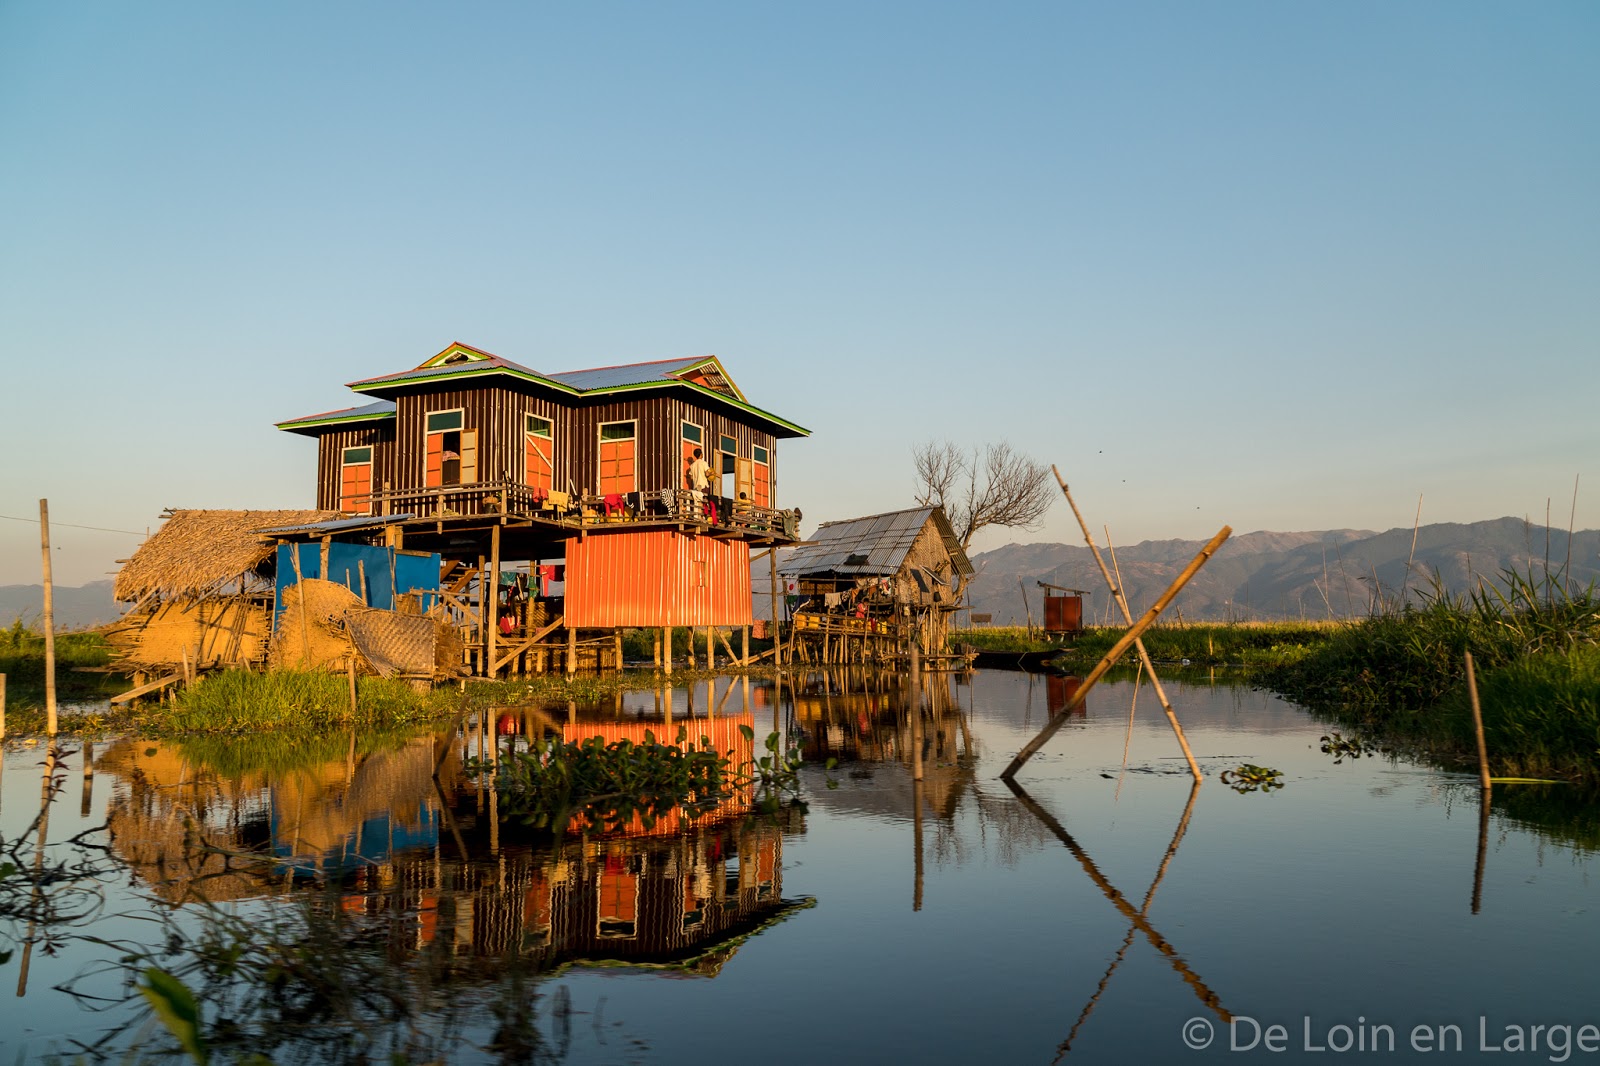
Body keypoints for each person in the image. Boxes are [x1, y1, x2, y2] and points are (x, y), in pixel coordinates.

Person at [686, 447, 710, 514]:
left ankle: (698, 515)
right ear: (701, 454)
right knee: (705, 501)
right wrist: (711, 473)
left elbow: (691, 477)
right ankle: (705, 515)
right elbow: (707, 474)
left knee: (697, 502)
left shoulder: (692, 466)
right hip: (703, 485)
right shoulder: (704, 463)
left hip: (696, 487)